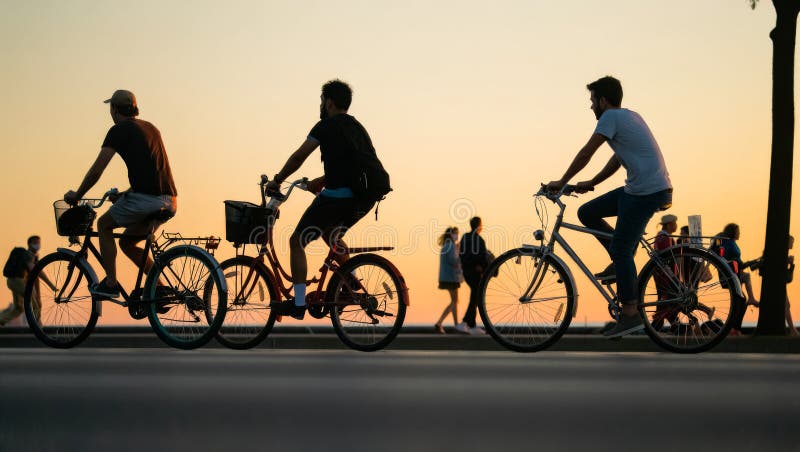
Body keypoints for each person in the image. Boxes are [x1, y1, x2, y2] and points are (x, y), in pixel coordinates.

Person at [546, 75, 673, 338]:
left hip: (645, 192)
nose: (591, 106)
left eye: (593, 100)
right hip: (642, 188)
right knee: (587, 212)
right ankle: (619, 263)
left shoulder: (610, 118)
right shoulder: (629, 116)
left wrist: (562, 181)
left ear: (603, 100)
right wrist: (592, 182)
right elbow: (618, 158)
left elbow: (586, 153)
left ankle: (630, 314)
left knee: (622, 248)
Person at [265, 80, 386, 319]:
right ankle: (350, 286)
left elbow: (299, 156)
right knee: (331, 233)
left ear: (329, 102)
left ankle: (298, 303)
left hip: (339, 197)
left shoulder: (325, 126)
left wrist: (277, 179)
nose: (320, 105)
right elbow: (351, 165)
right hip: (365, 197)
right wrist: (321, 181)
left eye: (321, 101)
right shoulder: (357, 127)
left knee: (297, 241)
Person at [64, 90, 178, 299]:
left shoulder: (119, 130)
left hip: (147, 201)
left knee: (103, 225)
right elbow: (153, 172)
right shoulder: (151, 128)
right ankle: (160, 288)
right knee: (127, 243)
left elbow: (97, 170)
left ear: (114, 109)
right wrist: (126, 194)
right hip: (169, 200)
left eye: (111, 108)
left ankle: (110, 284)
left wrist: (78, 194)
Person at [744, 234, 799, 336]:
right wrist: (789, 262)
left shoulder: (779, 253)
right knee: (785, 305)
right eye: (791, 242)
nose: (792, 245)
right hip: (776, 283)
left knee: (785, 305)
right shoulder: (781, 253)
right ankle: (792, 330)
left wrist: (790, 264)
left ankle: (791, 329)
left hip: (777, 282)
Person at [0, 236, 54, 326]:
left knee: (19, 308)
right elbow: (35, 271)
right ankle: (36, 326)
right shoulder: (28, 255)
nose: (37, 245)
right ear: (29, 244)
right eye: (35, 243)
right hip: (18, 281)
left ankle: (2, 319)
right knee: (35, 305)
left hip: (12, 281)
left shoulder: (32, 257)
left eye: (38, 242)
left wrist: (38, 294)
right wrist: (51, 285)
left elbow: (35, 278)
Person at [456, 217, 488, 335]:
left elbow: (462, 254)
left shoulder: (465, 237)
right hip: (476, 272)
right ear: (479, 225)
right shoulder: (479, 240)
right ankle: (466, 323)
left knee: (474, 296)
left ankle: (471, 324)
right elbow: (483, 257)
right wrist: (483, 267)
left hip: (466, 271)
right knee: (475, 297)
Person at [434, 227, 464, 334]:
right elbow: (453, 260)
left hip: (447, 277)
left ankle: (456, 325)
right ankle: (439, 322)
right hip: (451, 278)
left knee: (455, 301)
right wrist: (460, 254)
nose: (457, 236)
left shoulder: (446, 245)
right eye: (456, 233)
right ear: (451, 234)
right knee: (454, 301)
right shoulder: (450, 245)